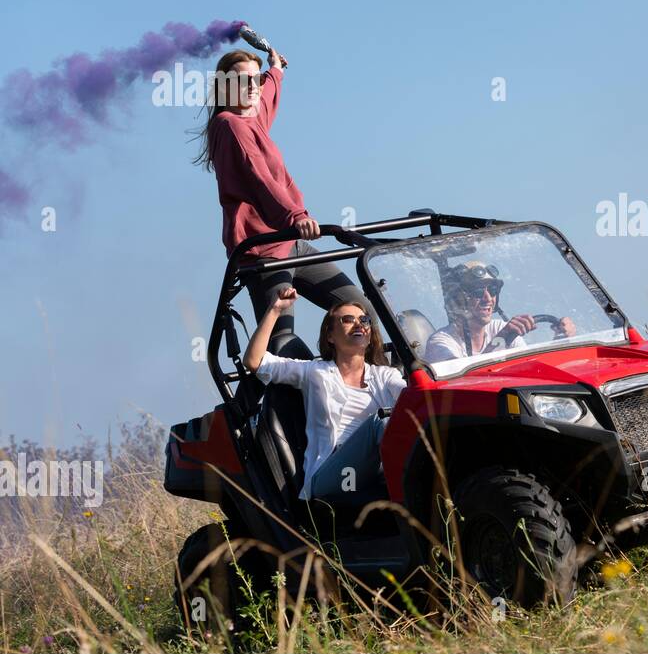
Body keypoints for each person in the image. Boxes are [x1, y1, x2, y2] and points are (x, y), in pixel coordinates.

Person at [192, 47, 372, 348]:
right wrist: (295, 216)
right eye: (242, 81)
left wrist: (275, 70)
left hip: (291, 243)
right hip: (263, 251)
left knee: (363, 313)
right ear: (225, 87)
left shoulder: (252, 118)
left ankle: (370, 375)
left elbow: (266, 97)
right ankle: (295, 378)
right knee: (282, 344)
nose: (252, 86)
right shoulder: (230, 125)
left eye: (256, 79)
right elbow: (259, 178)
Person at [243, 288, 406, 500]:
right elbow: (254, 361)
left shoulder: (386, 375)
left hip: (377, 467)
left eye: (364, 320)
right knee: (382, 421)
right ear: (330, 336)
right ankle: (409, 496)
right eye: (348, 320)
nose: (359, 324)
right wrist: (275, 310)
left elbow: (411, 398)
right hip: (334, 475)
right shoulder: (314, 372)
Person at [423, 262, 575, 364]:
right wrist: (503, 338)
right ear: (458, 300)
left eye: (492, 290)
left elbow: (529, 368)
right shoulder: (441, 344)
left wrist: (561, 341)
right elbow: (464, 386)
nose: (488, 298)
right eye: (478, 291)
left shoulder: (500, 328)